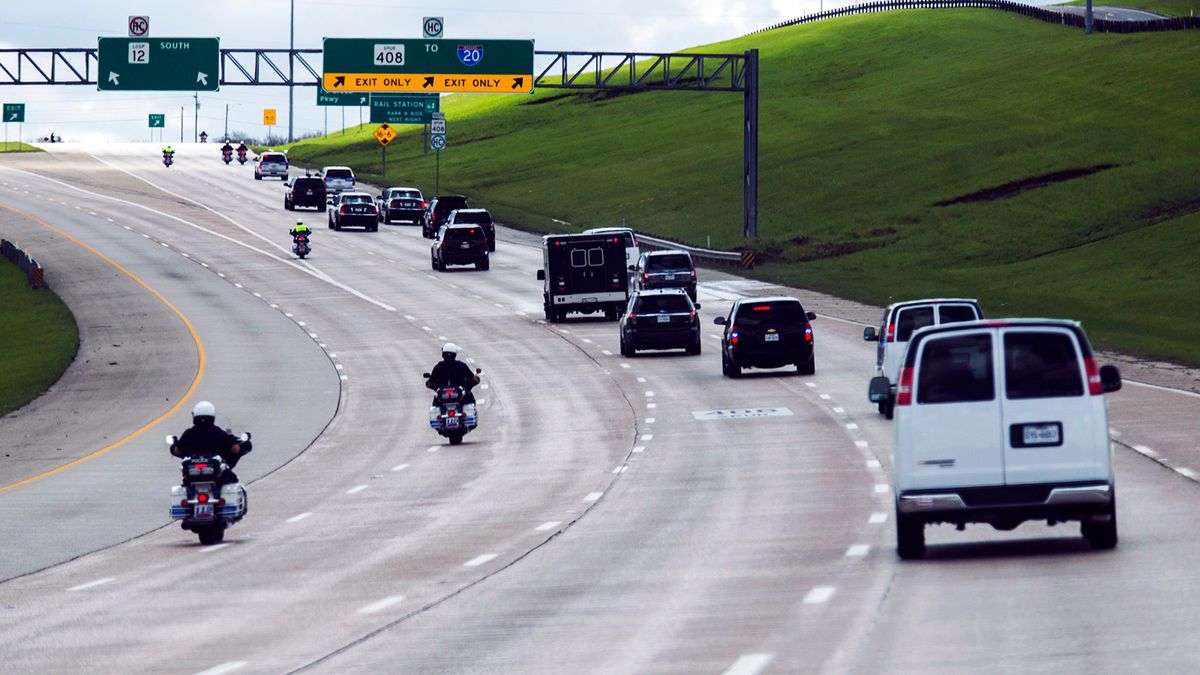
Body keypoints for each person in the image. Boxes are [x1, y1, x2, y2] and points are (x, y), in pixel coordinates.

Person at [170, 401, 245, 485]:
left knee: (185, 483)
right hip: (215, 475)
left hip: (193, 475)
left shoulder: (189, 433)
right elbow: (235, 449)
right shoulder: (218, 432)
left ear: (194, 416)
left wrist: (175, 444)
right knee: (233, 481)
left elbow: (177, 451)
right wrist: (238, 443)